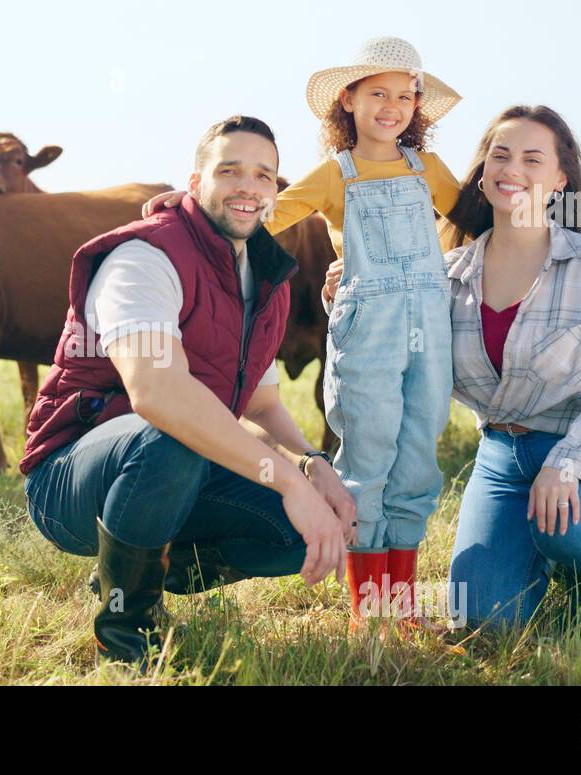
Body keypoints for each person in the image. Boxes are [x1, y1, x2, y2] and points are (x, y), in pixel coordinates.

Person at [146, 37, 463, 630]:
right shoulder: (331, 175)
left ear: (416, 105)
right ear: (348, 100)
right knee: (368, 460)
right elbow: (258, 216)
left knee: (417, 459)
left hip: (430, 331)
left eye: (403, 95)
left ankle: (405, 609)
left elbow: (475, 221)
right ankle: (369, 615)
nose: (390, 107)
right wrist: (189, 206)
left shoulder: (430, 169)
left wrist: (558, 211)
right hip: (369, 330)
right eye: (376, 94)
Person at [20, 116, 356, 669]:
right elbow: (158, 393)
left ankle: (129, 568)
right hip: (73, 478)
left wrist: (311, 465)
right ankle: (128, 633)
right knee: (168, 437)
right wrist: (284, 481)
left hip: (177, 466)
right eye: (229, 170)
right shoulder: (146, 257)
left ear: (275, 191)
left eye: (263, 175)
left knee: (294, 531)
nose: (248, 186)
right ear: (195, 182)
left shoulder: (264, 275)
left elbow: (262, 404)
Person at [325, 105, 581, 631]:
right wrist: (352, 300)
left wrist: (566, 464)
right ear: (483, 175)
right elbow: (391, 353)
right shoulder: (441, 276)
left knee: (569, 532)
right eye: (500, 156)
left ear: (559, 180)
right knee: (484, 620)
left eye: (533, 159)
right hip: (504, 457)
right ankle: (539, 550)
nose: (513, 170)